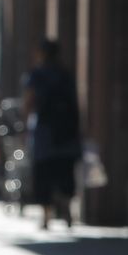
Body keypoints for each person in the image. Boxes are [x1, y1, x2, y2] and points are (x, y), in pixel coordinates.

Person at [21, 38, 81, 229]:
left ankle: (46, 216)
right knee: (65, 170)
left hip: (44, 130)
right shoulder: (66, 74)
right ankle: (68, 212)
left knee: (43, 172)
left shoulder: (37, 75)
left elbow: (29, 102)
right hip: (66, 130)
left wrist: (25, 120)